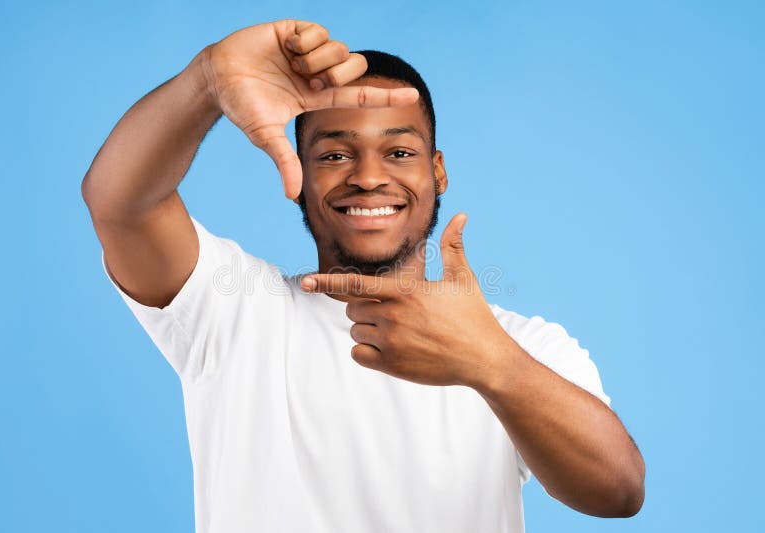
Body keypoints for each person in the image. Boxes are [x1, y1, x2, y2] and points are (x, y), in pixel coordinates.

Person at [82, 19, 645, 533]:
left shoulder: (523, 344)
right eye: (333, 156)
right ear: (298, 172)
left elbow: (619, 490)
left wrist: (489, 362)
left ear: (438, 170)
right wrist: (206, 81)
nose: (369, 177)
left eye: (399, 152)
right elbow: (119, 205)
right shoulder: (234, 313)